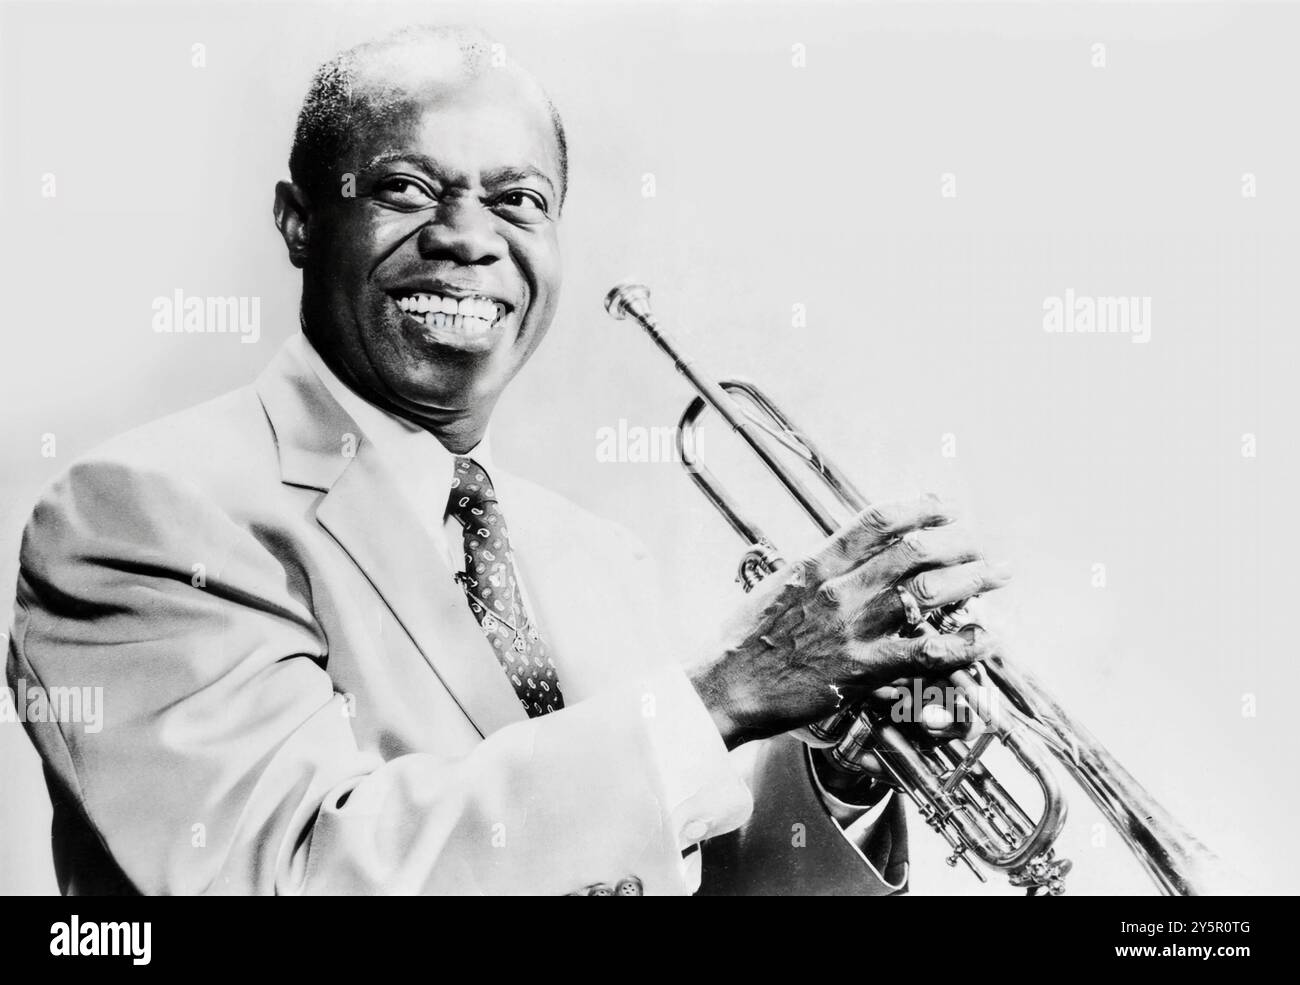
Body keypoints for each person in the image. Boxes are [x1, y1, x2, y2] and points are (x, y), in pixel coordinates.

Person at [7, 26, 1008, 895]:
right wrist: (719, 694)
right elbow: (292, 872)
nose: (467, 238)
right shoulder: (140, 511)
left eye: (518, 200)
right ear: (299, 220)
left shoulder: (592, 555)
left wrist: (843, 767)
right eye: (404, 187)